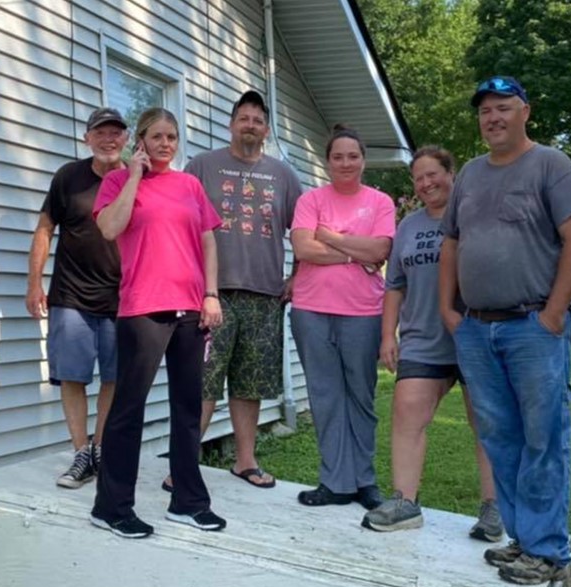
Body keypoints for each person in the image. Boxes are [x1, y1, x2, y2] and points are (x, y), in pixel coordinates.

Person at [439, 77, 571, 585]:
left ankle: (548, 549)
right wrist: (448, 309)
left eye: (503, 108)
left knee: (543, 437)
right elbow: (452, 244)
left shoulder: (552, 165)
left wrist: (553, 314)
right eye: (485, 111)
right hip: (478, 330)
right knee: (500, 438)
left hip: (533, 327)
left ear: (525, 111)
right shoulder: (469, 175)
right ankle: (524, 540)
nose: (493, 118)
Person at [88, 107, 226, 538]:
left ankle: (188, 501)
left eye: (172, 137)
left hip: (191, 309)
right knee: (128, 409)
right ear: (141, 141)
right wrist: (132, 176)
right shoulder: (116, 182)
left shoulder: (190, 185)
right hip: (143, 309)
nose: (166, 144)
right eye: (157, 137)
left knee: (187, 409)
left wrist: (211, 293)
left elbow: (207, 241)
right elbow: (110, 228)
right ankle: (111, 507)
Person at [361, 146, 503, 541]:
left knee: (487, 425)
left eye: (432, 174)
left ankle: (494, 508)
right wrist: (388, 335)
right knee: (407, 414)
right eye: (418, 178)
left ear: (451, 173)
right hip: (423, 340)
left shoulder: (477, 214)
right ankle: (405, 503)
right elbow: (395, 284)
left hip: (475, 335)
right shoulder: (408, 226)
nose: (426, 184)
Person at [181, 90, 304, 491]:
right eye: (243, 118)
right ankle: (184, 462)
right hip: (210, 294)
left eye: (257, 120)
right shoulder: (202, 167)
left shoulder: (284, 176)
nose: (250, 125)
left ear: (266, 129)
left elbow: (301, 231)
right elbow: (180, 224)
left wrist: (296, 276)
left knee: (249, 382)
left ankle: (245, 461)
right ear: (231, 124)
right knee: (202, 380)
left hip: (265, 294)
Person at [289, 124, 395, 510]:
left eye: (353, 156)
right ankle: (335, 481)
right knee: (325, 396)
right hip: (311, 310)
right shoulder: (311, 199)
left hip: (363, 313)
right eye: (338, 156)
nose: (345, 163)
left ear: (363, 160)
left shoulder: (380, 202)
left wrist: (331, 238)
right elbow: (303, 248)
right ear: (327, 161)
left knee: (360, 397)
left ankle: (365, 481)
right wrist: (356, 253)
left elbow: (381, 248)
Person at [26, 107, 126, 489]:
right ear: (87, 138)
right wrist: (35, 283)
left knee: (114, 378)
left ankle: (100, 449)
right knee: (72, 376)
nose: (108, 139)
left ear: (126, 139)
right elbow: (44, 229)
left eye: (116, 132)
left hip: (122, 298)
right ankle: (81, 451)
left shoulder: (135, 177)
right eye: (100, 132)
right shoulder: (69, 177)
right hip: (70, 296)